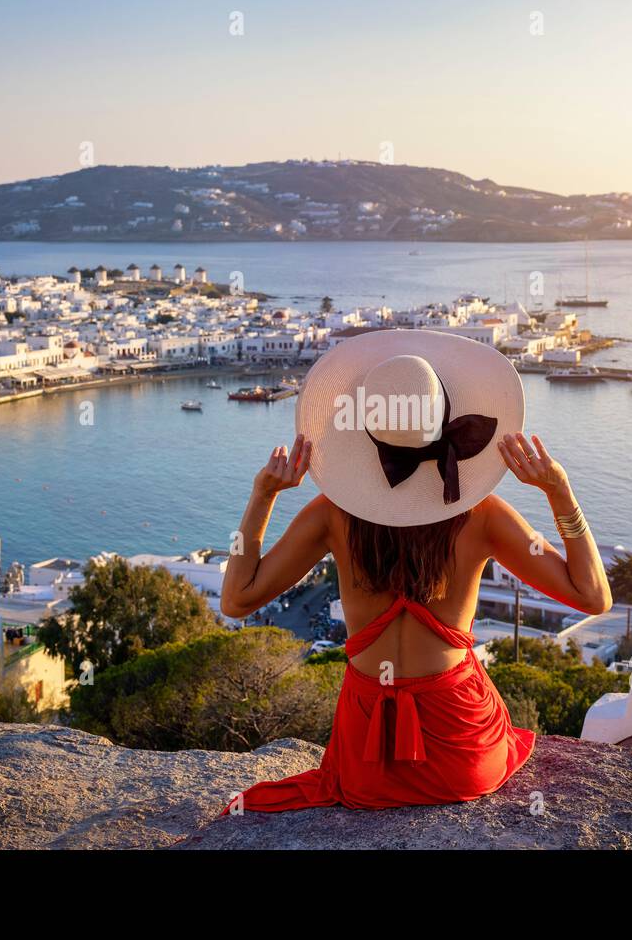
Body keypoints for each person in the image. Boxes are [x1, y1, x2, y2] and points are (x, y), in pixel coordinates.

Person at [219, 329, 610, 813]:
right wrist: (560, 492)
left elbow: (236, 600)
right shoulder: (482, 516)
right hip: (465, 756)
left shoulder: (331, 515)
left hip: (367, 764)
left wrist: (263, 496)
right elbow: (594, 597)